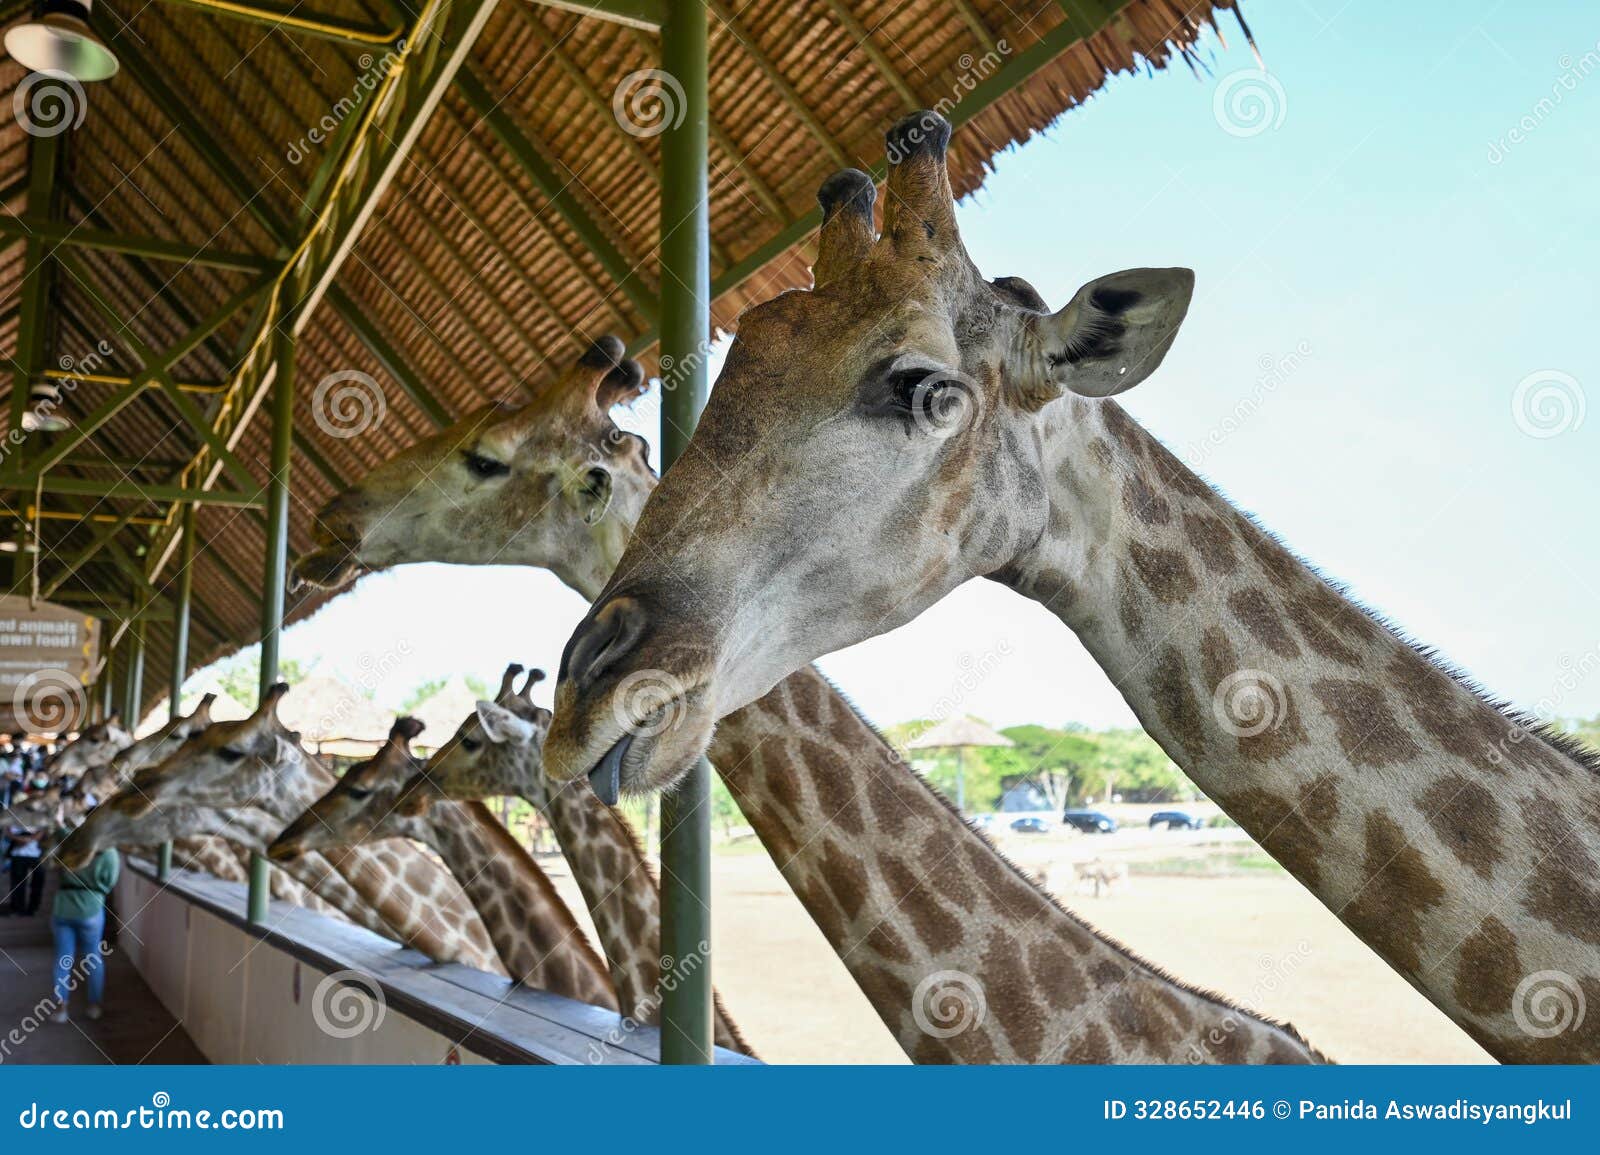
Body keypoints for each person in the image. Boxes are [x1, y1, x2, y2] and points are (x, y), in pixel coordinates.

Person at [50, 846, 119, 1024]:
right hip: (91, 906)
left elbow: (54, 864)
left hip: (63, 906)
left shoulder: (72, 844)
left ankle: (61, 1009)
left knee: (62, 960)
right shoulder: (109, 852)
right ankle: (94, 1007)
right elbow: (110, 882)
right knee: (93, 958)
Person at [6, 822, 44, 916]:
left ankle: (33, 908)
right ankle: (18, 908)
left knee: (38, 881)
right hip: (18, 855)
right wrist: (21, 839)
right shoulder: (13, 818)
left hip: (35, 855)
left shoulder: (37, 818)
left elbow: (41, 832)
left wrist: (29, 839)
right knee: (18, 883)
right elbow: (8, 832)